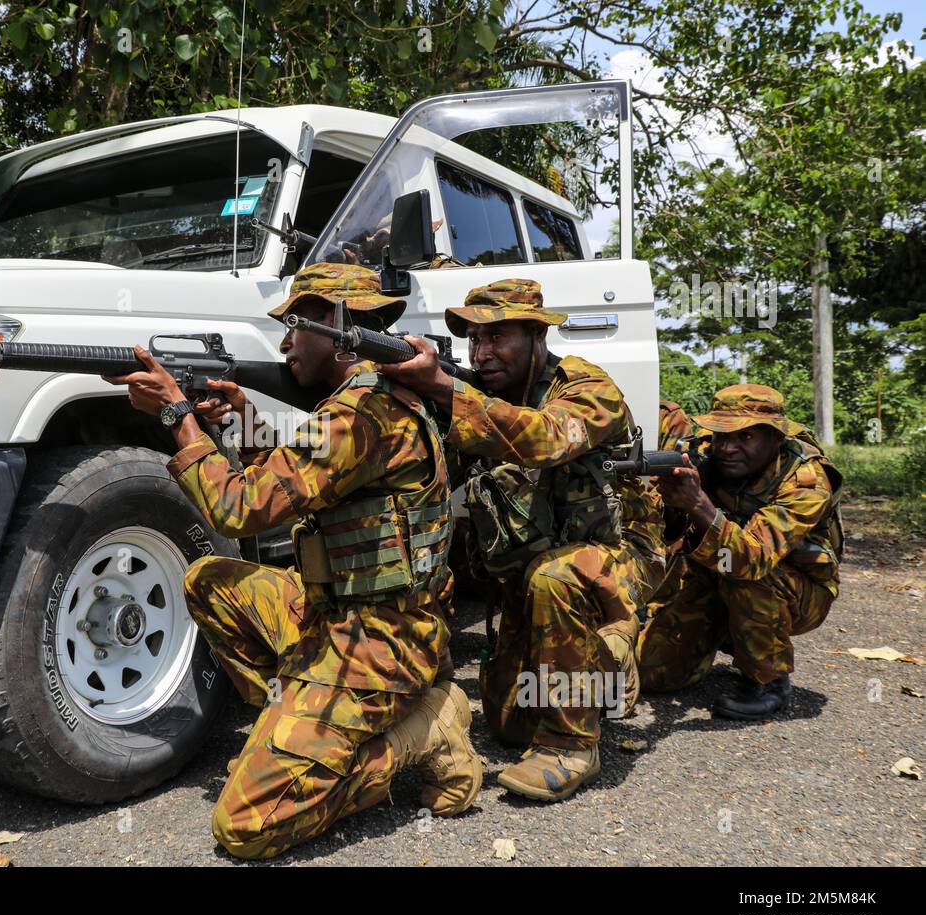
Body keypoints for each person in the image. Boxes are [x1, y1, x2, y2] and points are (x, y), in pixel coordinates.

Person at [104, 262, 481, 859]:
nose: (285, 343)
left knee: (247, 826)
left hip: (382, 642)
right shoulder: (371, 402)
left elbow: (238, 507)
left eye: (295, 326)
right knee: (210, 580)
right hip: (343, 615)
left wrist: (177, 419)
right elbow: (300, 477)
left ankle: (422, 730)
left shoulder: (359, 416)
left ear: (333, 323)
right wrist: (240, 420)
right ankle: (291, 723)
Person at [380, 278, 663, 802]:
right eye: (473, 341)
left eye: (496, 338)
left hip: (618, 558)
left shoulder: (585, 387)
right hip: (531, 574)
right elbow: (436, 475)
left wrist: (445, 388)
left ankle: (576, 736)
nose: (481, 352)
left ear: (536, 335)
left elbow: (545, 438)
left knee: (556, 577)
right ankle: (591, 667)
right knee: (509, 724)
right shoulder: (487, 398)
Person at [637, 385, 843, 719]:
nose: (728, 448)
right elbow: (662, 532)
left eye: (745, 438)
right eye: (721, 437)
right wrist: (671, 505)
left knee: (743, 571)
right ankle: (731, 632)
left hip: (793, 589)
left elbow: (753, 558)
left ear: (775, 439)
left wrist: (699, 505)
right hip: (714, 573)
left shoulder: (804, 481)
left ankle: (767, 679)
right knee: (653, 673)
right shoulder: (701, 455)